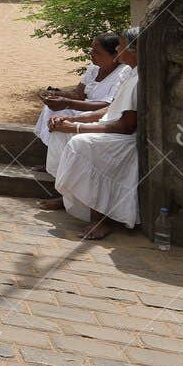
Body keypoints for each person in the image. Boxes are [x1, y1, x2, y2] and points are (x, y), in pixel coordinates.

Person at [46, 27, 141, 240]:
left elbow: (125, 126)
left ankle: (101, 219)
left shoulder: (137, 78)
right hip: (112, 127)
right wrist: (70, 121)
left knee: (82, 143)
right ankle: (72, 197)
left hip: (124, 139)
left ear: (133, 50)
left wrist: (78, 128)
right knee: (61, 133)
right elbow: (110, 109)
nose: (118, 48)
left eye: (122, 44)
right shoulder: (131, 74)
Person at [34, 34, 130, 183]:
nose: (92, 56)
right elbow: (79, 94)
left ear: (115, 55)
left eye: (97, 53)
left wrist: (67, 103)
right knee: (53, 110)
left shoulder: (123, 73)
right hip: (82, 109)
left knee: (64, 121)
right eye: (91, 51)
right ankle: (52, 160)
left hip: (101, 115)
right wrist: (56, 94)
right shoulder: (94, 67)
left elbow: (108, 106)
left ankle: (64, 173)